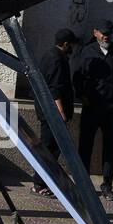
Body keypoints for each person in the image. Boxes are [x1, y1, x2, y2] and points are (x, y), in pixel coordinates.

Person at [74, 19, 113, 201]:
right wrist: (83, 96)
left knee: (109, 149)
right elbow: (78, 77)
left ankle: (107, 185)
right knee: (85, 146)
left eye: (109, 33)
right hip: (92, 107)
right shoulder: (87, 51)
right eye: (103, 32)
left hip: (111, 108)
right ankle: (82, 184)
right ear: (95, 32)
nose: (106, 36)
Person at [32, 28, 77, 197]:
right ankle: (39, 183)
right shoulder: (56, 59)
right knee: (49, 148)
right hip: (52, 113)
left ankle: (43, 181)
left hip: (49, 111)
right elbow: (54, 88)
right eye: (71, 44)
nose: (73, 47)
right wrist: (61, 112)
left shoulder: (51, 55)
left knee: (50, 148)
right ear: (65, 44)